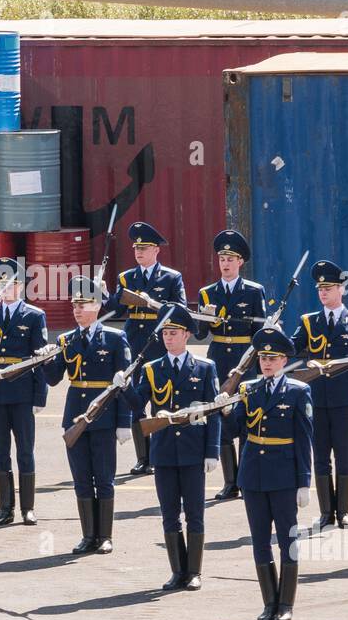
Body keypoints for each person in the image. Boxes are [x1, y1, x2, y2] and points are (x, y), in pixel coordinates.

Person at [131, 304, 220, 591]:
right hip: (165, 450)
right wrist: (123, 388)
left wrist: (212, 450)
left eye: (173, 333)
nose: (168, 338)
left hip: (194, 450)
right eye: (165, 333)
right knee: (169, 513)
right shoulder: (152, 369)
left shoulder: (205, 368)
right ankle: (177, 570)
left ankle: (194, 571)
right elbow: (138, 405)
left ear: (187, 334)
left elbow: (212, 411)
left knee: (195, 513)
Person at [230, 326, 313, 620]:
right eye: (263, 357)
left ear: (284, 360)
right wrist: (221, 409)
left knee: (287, 539)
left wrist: (304, 481)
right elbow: (234, 431)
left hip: (284, 475)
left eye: (273, 358)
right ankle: (269, 602)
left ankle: (286, 603)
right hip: (253, 474)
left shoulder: (298, 391)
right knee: (260, 541)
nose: (266, 363)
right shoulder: (248, 390)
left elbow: (305, 439)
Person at [44, 276, 133, 555]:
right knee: (82, 478)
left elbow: (122, 384)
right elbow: (53, 379)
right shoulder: (66, 340)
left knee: (104, 478)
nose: (77, 310)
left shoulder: (115, 338)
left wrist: (123, 423)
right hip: (74, 416)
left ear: (97, 305)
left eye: (82, 304)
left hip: (103, 415)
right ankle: (88, 535)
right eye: (74, 305)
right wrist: (47, 359)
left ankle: (105, 536)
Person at [291, 260, 348, 529]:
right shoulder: (309, 322)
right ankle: (327, 512)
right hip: (315, 398)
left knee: (343, 454)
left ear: (341, 289)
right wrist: (273, 332)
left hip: (343, 399)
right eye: (320, 289)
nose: (323, 293)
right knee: (321, 456)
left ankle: (344, 511)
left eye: (328, 288)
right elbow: (291, 348)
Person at [0, 258, 48, 527]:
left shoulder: (34, 316)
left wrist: (40, 396)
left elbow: (40, 357)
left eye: (10, 283)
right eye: (1, 283)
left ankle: (28, 507)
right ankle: (6, 508)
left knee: (25, 451)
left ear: (20, 286)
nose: (5, 288)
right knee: (0, 452)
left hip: (23, 389)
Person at [104, 221, 186, 476]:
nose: (139, 252)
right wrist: (102, 295)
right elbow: (116, 310)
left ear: (156, 250)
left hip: (160, 341)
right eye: (137, 248)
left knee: (161, 396)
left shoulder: (172, 277)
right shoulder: (127, 277)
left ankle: (162, 452)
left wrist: (152, 303)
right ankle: (144, 457)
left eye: (145, 248)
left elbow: (179, 309)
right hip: (134, 340)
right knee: (135, 399)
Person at [195, 229, 267, 501]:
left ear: (240, 262)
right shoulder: (207, 293)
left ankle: (246, 479)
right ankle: (230, 482)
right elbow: (201, 334)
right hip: (217, 358)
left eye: (230, 258)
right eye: (222, 257)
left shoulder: (253, 291)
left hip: (244, 357)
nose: (225, 263)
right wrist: (204, 318)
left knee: (247, 418)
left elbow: (260, 335)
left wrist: (259, 368)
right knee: (220, 416)